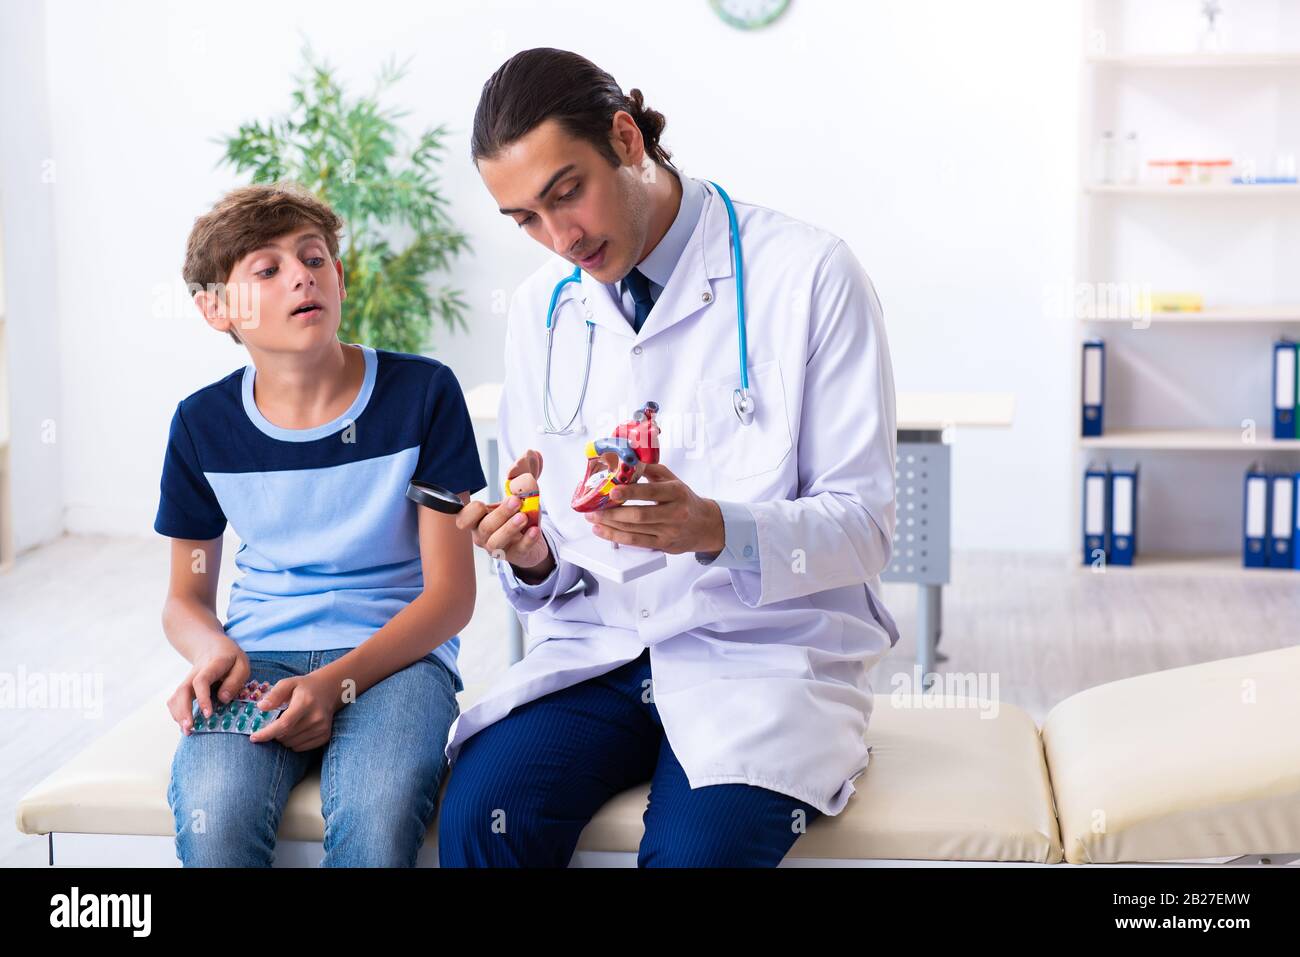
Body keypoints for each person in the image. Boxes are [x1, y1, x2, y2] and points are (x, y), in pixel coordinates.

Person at [438, 49, 900, 868]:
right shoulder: (542, 308)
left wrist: (716, 526)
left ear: (625, 138)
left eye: (566, 192)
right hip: (601, 649)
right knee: (482, 813)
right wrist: (533, 553)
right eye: (526, 220)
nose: (560, 238)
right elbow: (542, 559)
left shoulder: (809, 276)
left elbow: (862, 529)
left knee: (698, 854)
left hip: (759, 655)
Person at [157, 182, 484, 866]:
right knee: (214, 823)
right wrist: (212, 652)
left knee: (378, 810)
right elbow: (186, 597)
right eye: (266, 269)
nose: (302, 274)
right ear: (217, 308)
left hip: (397, 658)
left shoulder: (424, 394)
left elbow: (450, 597)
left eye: (314, 257)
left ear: (338, 275)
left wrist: (337, 683)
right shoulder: (201, 425)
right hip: (258, 659)